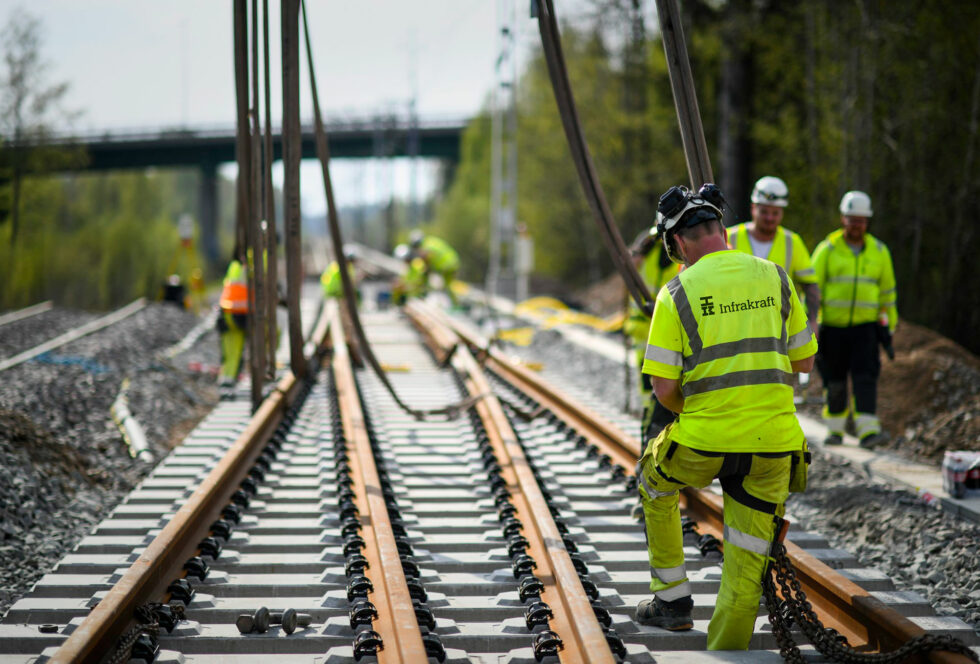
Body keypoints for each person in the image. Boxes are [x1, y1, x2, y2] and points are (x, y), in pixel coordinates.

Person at [635, 183, 817, 649]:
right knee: (748, 552)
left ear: (676, 243)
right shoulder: (776, 275)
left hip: (703, 442)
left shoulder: (675, 291)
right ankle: (729, 648)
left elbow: (664, 389)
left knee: (654, 483)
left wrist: (698, 410)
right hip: (774, 444)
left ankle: (672, 602)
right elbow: (804, 363)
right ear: (723, 229)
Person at [811, 191, 896, 448]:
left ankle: (868, 432)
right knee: (834, 380)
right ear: (842, 219)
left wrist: (889, 327)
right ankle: (834, 430)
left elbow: (888, 293)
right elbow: (812, 291)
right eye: (852, 220)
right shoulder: (827, 250)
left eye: (861, 220)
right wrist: (809, 324)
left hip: (866, 330)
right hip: (833, 329)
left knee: (865, 379)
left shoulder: (880, 252)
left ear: (867, 222)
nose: (856, 225)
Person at [728, 176, 820, 333]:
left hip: (781, 328)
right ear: (753, 208)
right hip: (737, 326)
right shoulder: (730, 237)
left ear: (782, 213)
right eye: (764, 212)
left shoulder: (793, 242)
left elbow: (810, 285)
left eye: (775, 213)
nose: (769, 218)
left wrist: (812, 321)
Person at [623, 226, 680, 443]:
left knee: (659, 397)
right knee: (651, 397)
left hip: (660, 337)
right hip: (644, 335)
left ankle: (653, 441)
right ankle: (650, 443)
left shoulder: (677, 260)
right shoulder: (648, 253)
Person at [217, 248, 249, 391]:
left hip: (226, 313)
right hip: (238, 314)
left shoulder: (233, 267)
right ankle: (228, 380)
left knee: (228, 352)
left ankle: (226, 378)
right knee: (235, 351)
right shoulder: (246, 270)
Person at [409, 229, 460, 305]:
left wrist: (426, 272)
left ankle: (454, 305)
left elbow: (426, 258)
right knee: (448, 286)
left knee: (445, 287)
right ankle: (455, 304)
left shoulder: (425, 246)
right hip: (453, 261)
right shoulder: (431, 240)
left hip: (445, 265)